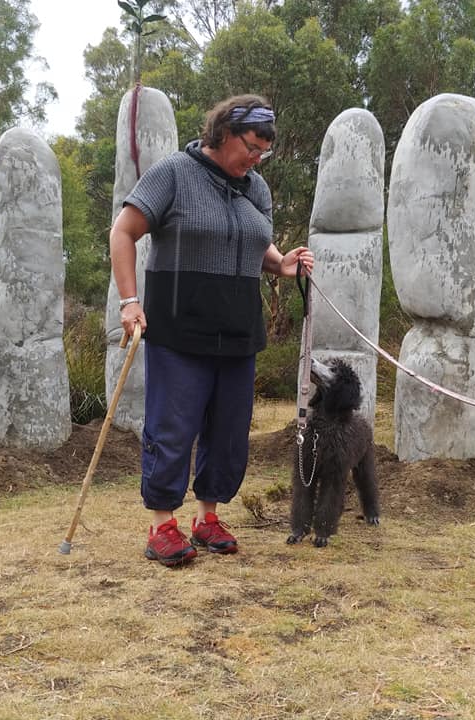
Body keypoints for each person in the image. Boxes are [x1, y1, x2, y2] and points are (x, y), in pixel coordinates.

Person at [109, 94, 315, 567]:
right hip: (180, 330)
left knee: (228, 433)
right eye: (251, 146)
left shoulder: (255, 188)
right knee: (173, 428)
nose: (256, 158)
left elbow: (252, 240)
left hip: (239, 331)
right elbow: (123, 232)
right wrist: (129, 301)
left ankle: (208, 518)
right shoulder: (174, 174)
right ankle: (162, 525)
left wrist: (279, 263)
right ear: (222, 134)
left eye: (265, 151)